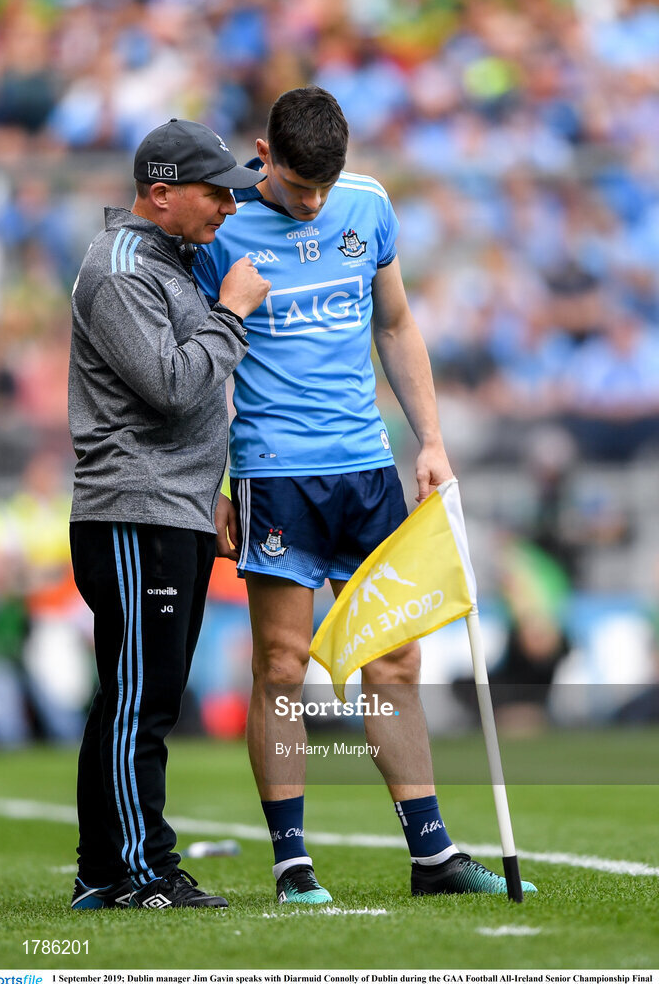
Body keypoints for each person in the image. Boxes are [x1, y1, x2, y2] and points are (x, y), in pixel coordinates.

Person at [194, 87, 536, 904]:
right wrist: (215, 481)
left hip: (366, 469)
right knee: (282, 664)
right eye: (299, 187)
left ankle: (432, 856)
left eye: (325, 187)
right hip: (274, 473)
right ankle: (291, 864)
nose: (313, 204)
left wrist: (432, 440)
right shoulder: (221, 224)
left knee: (396, 660)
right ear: (262, 153)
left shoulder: (368, 205)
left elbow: (395, 324)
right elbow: (207, 363)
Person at [68, 118, 270, 910]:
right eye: (215, 191)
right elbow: (175, 385)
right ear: (160, 194)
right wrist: (232, 312)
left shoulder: (163, 257)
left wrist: (204, 493)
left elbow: (178, 409)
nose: (228, 205)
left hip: (168, 506)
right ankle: (138, 873)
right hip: (133, 510)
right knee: (137, 699)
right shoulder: (121, 268)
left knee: (144, 696)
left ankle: (109, 871)